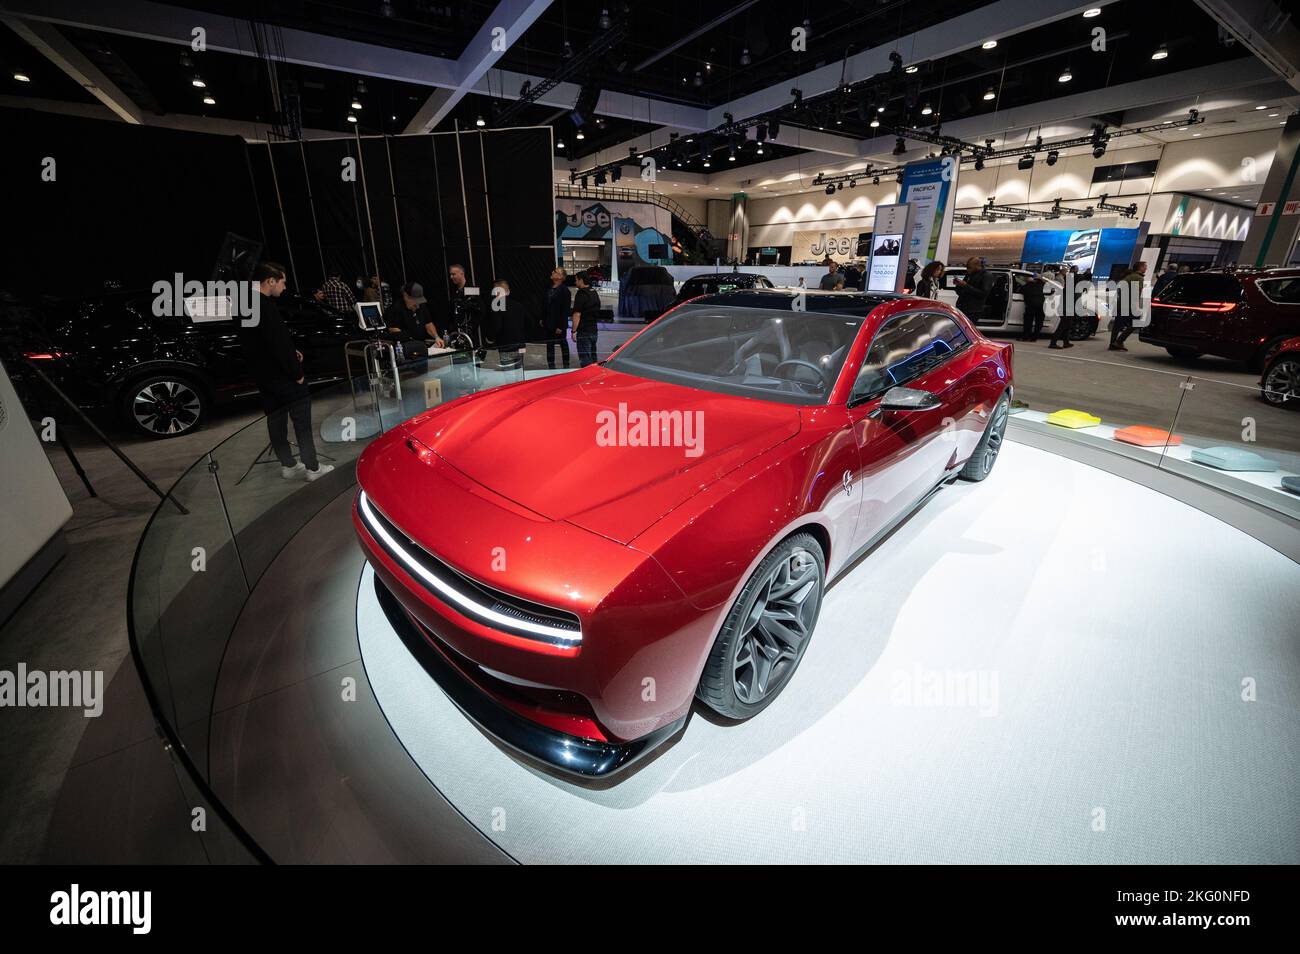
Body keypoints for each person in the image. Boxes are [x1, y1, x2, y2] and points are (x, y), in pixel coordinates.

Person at [236, 261, 333, 482]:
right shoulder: (264, 305)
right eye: (283, 282)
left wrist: (292, 351)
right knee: (302, 422)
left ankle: (288, 464)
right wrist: (296, 372)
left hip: (264, 376)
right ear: (270, 281)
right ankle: (313, 468)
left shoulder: (243, 303)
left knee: (275, 421)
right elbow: (277, 341)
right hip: (284, 376)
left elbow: (260, 343)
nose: (284, 287)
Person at [383, 282, 444, 347]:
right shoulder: (396, 308)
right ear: (405, 296)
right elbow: (393, 329)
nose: (418, 304)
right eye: (415, 300)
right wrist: (410, 341)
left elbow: (428, 323)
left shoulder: (421, 305)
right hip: (406, 346)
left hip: (421, 344)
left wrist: (436, 337)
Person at [1110, 261, 1147, 352]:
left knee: (1117, 325)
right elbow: (1136, 293)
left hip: (1121, 303)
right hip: (1130, 305)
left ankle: (1113, 344)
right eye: (1145, 267)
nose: (1146, 268)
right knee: (1136, 323)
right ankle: (1119, 341)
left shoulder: (1127, 277)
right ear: (1140, 267)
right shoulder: (1138, 278)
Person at [491, 279, 526, 368]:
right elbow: (525, 324)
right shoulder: (519, 305)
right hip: (519, 344)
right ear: (508, 291)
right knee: (519, 374)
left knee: (509, 376)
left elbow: (497, 327)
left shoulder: (497, 307)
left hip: (505, 346)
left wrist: (491, 339)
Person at [571, 270, 601, 367]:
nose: (575, 282)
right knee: (593, 357)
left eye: (576, 280)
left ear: (581, 280)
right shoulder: (593, 292)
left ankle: (587, 379)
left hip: (584, 332)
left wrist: (573, 331)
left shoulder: (581, 294)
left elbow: (577, 314)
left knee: (585, 360)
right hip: (594, 330)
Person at [544, 266, 571, 369]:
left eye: (555, 271)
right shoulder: (549, 288)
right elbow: (545, 305)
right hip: (549, 323)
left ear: (560, 276)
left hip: (559, 324)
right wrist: (543, 318)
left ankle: (566, 365)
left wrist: (561, 325)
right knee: (549, 345)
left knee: (563, 343)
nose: (552, 272)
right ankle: (551, 366)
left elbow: (565, 310)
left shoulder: (565, 291)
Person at [1021, 272, 1047, 342]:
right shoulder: (1044, 285)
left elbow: (1021, 290)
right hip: (1041, 306)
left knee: (1028, 321)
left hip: (1031, 305)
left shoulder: (1027, 286)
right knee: (1039, 322)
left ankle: (1026, 337)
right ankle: (1034, 338)